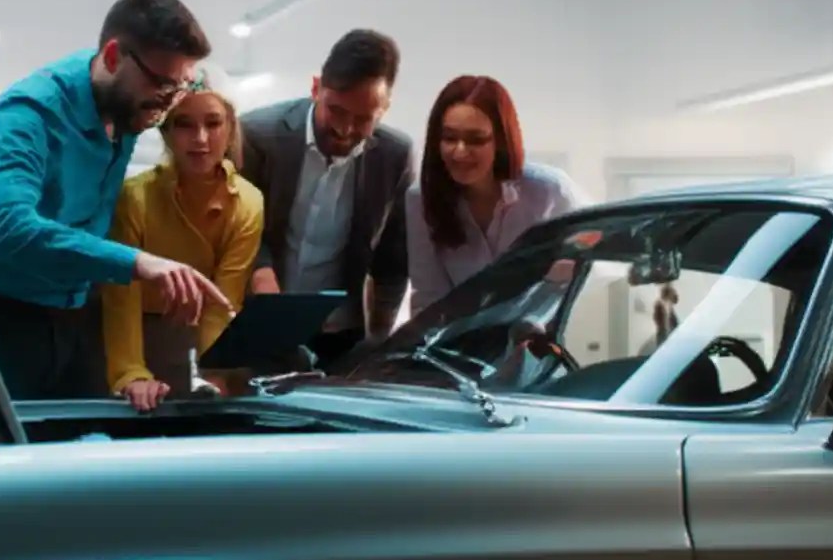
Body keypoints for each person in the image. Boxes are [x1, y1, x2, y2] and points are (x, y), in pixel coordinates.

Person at [0, 0, 233, 400]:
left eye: (180, 87)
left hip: (74, 315)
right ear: (114, 57)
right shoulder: (30, 112)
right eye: (161, 86)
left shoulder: (133, 100)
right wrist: (136, 262)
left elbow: (184, 85)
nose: (167, 104)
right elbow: (6, 227)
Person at [240, 29, 415, 370]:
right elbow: (240, 226)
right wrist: (261, 275)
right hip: (260, 320)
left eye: (364, 118)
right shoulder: (257, 135)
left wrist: (378, 341)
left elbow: (393, 260)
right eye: (335, 110)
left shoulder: (396, 154)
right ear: (316, 87)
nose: (345, 129)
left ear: (385, 108)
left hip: (342, 335)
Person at [101, 78, 264, 411]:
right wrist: (130, 372)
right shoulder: (135, 197)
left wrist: (214, 373)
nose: (200, 139)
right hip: (129, 335)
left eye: (213, 123)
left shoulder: (249, 202)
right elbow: (121, 298)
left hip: (194, 336)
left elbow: (223, 301)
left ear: (231, 129)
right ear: (165, 132)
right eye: (184, 125)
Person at [405, 75, 586, 317]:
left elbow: (593, 267)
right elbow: (429, 300)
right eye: (449, 138)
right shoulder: (421, 200)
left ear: (500, 142)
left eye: (476, 140)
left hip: (542, 338)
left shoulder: (549, 191)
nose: (459, 151)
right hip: (463, 342)